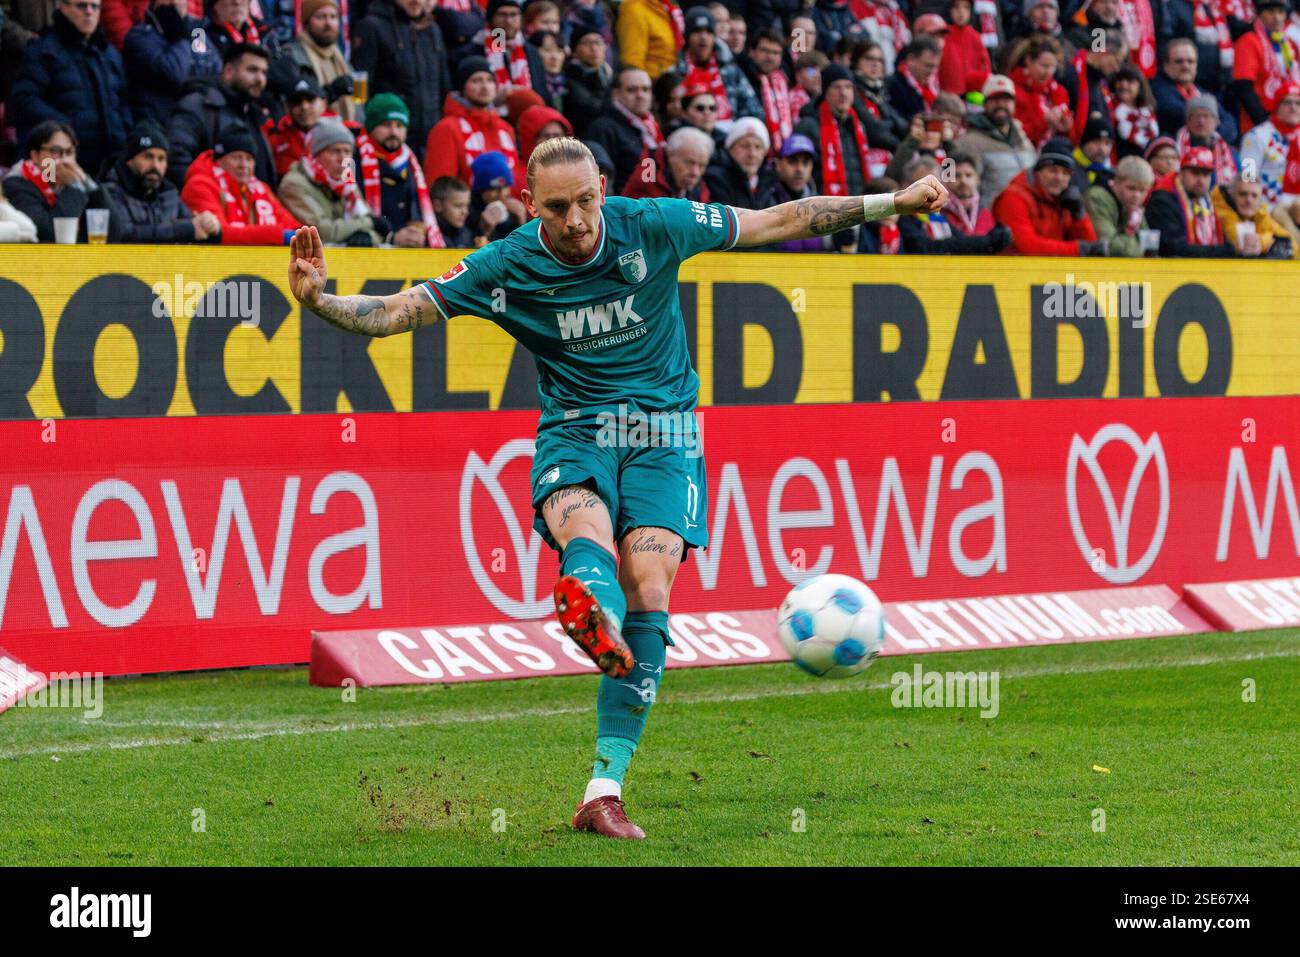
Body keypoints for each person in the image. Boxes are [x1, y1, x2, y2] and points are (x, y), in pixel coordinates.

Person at [284, 137, 948, 839]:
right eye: (557, 207)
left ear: (603, 187)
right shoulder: (507, 264)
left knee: (652, 587)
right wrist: (320, 300)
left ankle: (603, 790)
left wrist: (893, 203)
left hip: (666, 433)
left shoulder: (653, 223)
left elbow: (780, 219)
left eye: (585, 201)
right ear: (527, 204)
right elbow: (398, 312)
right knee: (587, 530)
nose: (575, 220)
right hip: (576, 428)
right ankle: (588, 611)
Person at [10, 0, 133, 178]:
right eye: (82, 6)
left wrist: (123, 132)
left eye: (95, 7)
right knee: (53, 203)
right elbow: (24, 100)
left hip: (107, 166)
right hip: (56, 162)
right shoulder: (43, 51)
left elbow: (124, 101)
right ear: (64, 7)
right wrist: (65, 129)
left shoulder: (109, 54)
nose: (89, 12)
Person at [168, 42, 278, 188]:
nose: (260, 80)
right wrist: (208, 198)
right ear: (228, 71)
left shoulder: (254, 114)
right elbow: (176, 158)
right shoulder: (199, 106)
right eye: (252, 70)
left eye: (264, 72)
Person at [352, 0, 452, 157]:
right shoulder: (371, 26)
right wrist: (364, 124)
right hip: (387, 139)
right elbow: (360, 86)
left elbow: (443, 86)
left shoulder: (433, 29)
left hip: (430, 140)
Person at [100, 120, 221, 242]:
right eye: (148, 156)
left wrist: (211, 228)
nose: (155, 165)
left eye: (161, 158)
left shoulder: (169, 194)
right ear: (129, 160)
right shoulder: (110, 192)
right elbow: (122, 233)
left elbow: (195, 230)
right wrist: (182, 230)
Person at [180, 122, 300, 244]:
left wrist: (303, 233)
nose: (244, 165)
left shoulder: (260, 188)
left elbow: (290, 224)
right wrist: (278, 236)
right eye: (236, 157)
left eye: (249, 159)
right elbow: (219, 234)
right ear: (219, 159)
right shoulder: (199, 185)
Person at [357, 92, 446, 248]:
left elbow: (417, 209)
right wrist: (391, 236)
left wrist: (417, 230)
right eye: (386, 125)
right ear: (371, 127)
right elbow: (348, 205)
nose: (394, 132)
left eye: (399, 125)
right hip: (370, 249)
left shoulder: (411, 162)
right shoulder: (350, 158)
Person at [279, 119, 386, 246]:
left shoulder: (348, 185)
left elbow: (380, 232)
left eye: (347, 151)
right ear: (316, 155)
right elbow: (323, 232)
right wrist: (368, 223)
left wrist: (368, 237)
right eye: (335, 151)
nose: (343, 159)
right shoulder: (294, 184)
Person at [993, 136, 1105, 254]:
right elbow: (1026, 246)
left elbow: (1089, 246)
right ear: (1039, 171)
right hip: (1016, 270)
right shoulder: (1013, 198)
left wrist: (1080, 216)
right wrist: (1077, 250)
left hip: (1051, 270)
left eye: (1065, 173)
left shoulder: (1064, 199)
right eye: (1053, 170)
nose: (1059, 178)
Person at [424, 55, 520, 187]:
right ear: (462, 87)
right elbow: (440, 187)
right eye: (476, 80)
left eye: (490, 80)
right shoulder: (446, 129)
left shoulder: (505, 128)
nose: (485, 86)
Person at [2, 119, 105, 241]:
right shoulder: (16, 185)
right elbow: (49, 233)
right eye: (55, 151)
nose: (65, 160)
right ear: (35, 155)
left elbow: (114, 233)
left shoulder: (78, 183)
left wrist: (88, 184)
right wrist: (73, 186)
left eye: (69, 152)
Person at [896, 154, 1011, 252]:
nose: (930, 190)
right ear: (906, 186)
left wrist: (994, 241)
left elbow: (961, 241)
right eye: (923, 185)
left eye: (935, 185)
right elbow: (927, 248)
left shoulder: (935, 215)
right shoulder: (902, 217)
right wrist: (985, 241)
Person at [954, 73, 1036, 207]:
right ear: (985, 104)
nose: (1001, 105)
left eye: (1006, 100)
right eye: (995, 100)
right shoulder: (969, 142)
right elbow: (956, 184)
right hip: (992, 220)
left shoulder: (1023, 139)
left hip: (1028, 216)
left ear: (1014, 104)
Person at [268, 0, 356, 123]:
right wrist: (331, 91)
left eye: (333, 17)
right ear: (306, 22)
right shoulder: (291, 55)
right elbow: (295, 104)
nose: (328, 23)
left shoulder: (341, 59)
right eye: (320, 17)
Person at [675, 5, 761, 131]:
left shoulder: (730, 70)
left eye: (708, 32)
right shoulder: (676, 71)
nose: (703, 37)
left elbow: (754, 110)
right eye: (697, 31)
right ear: (687, 37)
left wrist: (736, 132)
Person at [1144, 145, 1238, 256]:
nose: (1201, 180)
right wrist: (1227, 251)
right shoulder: (1163, 201)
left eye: (1206, 174)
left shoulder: (1205, 202)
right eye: (1195, 173)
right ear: (1182, 173)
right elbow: (1174, 248)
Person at [122, 0, 202, 128]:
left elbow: (212, 68)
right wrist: (181, 38)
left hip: (196, 120)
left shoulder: (197, 30)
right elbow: (174, 72)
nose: (175, 2)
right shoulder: (140, 35)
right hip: (158, 125)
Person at [586, 66, 664, 192]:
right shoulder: (603, 128)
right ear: (616, 93)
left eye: (646, 89)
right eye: (632, 90)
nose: (640, 95)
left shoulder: (652, 128)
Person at [1230, 0, 1300, 135]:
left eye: (1281, 12)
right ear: (1259, 14)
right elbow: (1243, 87)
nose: (1277, 17)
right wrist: (1264, 123)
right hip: (1258, 125)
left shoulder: (1288, 43)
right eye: (1270, 11)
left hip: (1288, 125)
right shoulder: (1248, 41)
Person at [1210, 170, 1297, 256]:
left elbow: (1294, 246)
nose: (1249, 200)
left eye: (1254, 195)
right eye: (1243, 194)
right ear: (1230, 194)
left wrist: (1262, 242)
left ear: (1259, 199)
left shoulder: (1259, 214)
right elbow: (1241, 247)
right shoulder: (1214, 212)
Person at [1084, 153, 1153, 256]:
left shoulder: (1133, 206)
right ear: (1116, 182)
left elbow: (1150, 247)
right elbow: (1111, 247)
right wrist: (1140, 249)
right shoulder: (1097, 198)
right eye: (1131, 188)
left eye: (1142, 190)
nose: (1136, 195)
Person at [621, 124, 712, 200]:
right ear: (670, 154)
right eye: (689, 163)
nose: (695, 172)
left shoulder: (700, 189)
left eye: (702, 166)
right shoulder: (647, 179)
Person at [703, 114, 774, 207]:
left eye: (758, 147)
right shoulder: (716, 178)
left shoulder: (768, 179)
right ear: (730, 149)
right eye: (745, 146)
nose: (752, 154)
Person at [563, 22, 612, 138]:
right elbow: (595, 108)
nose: (594, 48)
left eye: (598, 42)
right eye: (586, 43)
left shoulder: (611, 75)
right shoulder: (570, 77)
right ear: (574, 51)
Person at [1178, 93, 1239, 185]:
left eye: (1206, 116)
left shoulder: (1230, 154)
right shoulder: (1175, 148)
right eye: (1197, 116)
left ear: (1216, 121)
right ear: (1187, 121)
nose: (1201, 121)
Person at [616, 0, 685, 80]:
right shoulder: (634, 9)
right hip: (653, 85)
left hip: (673, 81)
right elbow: (632, 64)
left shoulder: (665, 6)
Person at [885, 36, 943, 123]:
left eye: (935, 67)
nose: (932, 71)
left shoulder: (931, 86)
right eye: (928, 65)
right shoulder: (892, 86)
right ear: (911, 59)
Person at [943, 151, 999, 237]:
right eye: (957, 176)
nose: (963, 181)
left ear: (977, 179)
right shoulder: (939, 212)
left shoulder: (985, 213)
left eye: (968, 175)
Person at [432, 174, 475, 246]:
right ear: (437, 206)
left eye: (467, 205)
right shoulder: (428, 237)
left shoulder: (466, 234)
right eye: (458, 205)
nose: (465, 212)